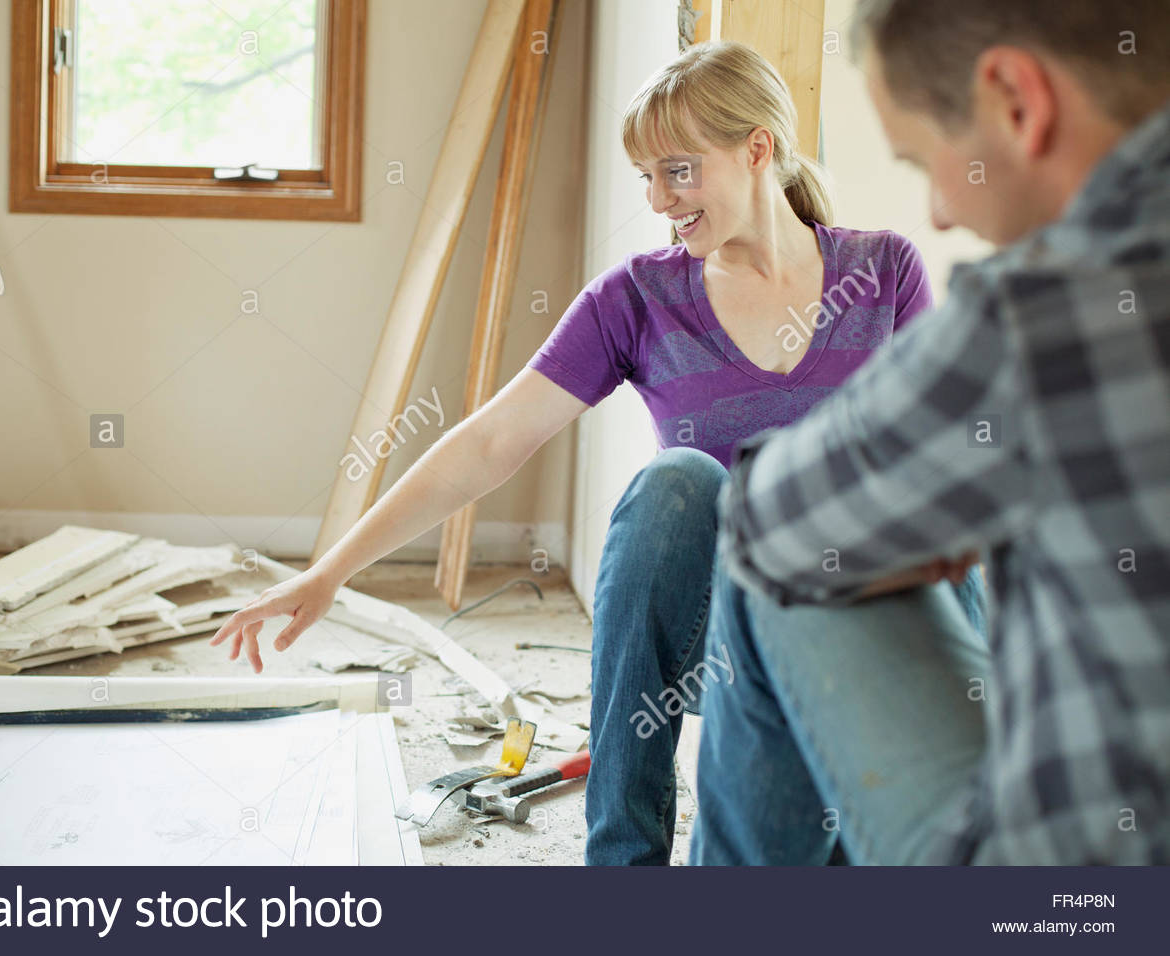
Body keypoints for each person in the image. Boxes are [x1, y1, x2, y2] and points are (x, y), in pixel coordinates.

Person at [209, 41, 985, 866]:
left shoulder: (884, 272)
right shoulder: (639, 298)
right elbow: (491, 442)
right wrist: (331, 569)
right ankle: (622, 866)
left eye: (677, 172)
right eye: (647, 177)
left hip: (863, 612)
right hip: (727, 633)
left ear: (757, 148)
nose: (657, 200)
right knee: (678, 483)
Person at [692, 0, 1170, 865]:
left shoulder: (1045, 312)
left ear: (1017, 100)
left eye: (924, 162)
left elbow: (771, 525)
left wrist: (919, 520)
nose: (941, 214)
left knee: (766, 536)